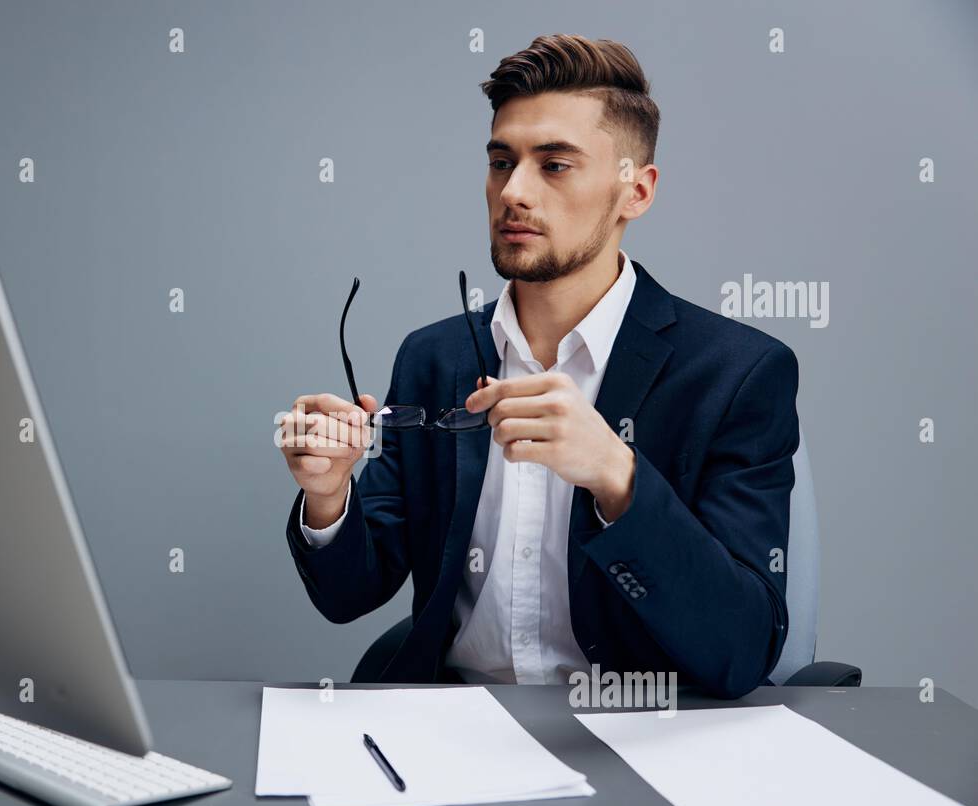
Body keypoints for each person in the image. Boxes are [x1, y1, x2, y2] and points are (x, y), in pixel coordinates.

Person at [277, 34, 799, 698]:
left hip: (641, 739)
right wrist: (328, 499)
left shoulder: (739, 374)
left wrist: (618, 477)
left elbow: (741, 648)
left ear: (634, 192)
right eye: (502, 161)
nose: (513, 191)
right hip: (455, 731)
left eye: (554, 165)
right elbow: (350, 593)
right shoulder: (435, 358)